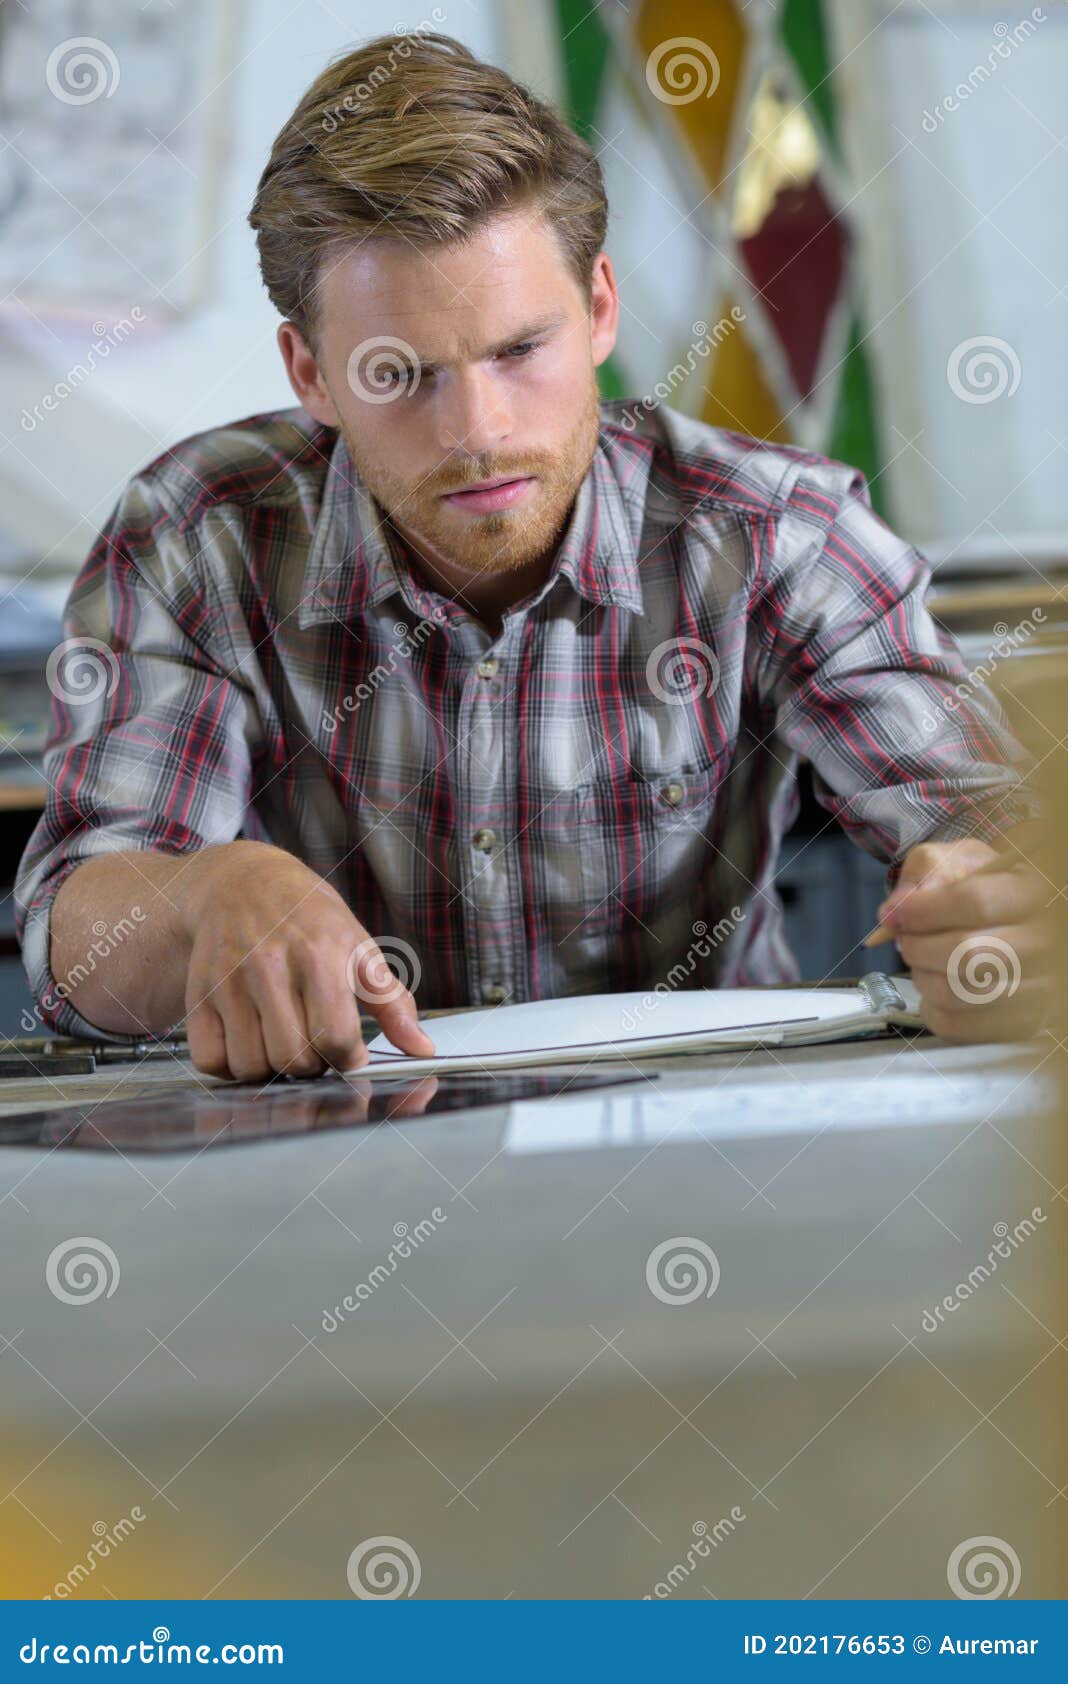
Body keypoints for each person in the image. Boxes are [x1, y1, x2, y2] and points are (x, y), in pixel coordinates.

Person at [13, 33, 1049, 1083]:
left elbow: (999, 835)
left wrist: (1000, 900)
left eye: (518, 350)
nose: (479, 431)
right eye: (400, 372)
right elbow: (73, 939)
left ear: (600, 307)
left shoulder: (777, 531)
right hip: (334, 1162)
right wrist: (201, 899)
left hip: (716, 1151)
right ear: (309, 372)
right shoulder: (198, 533)